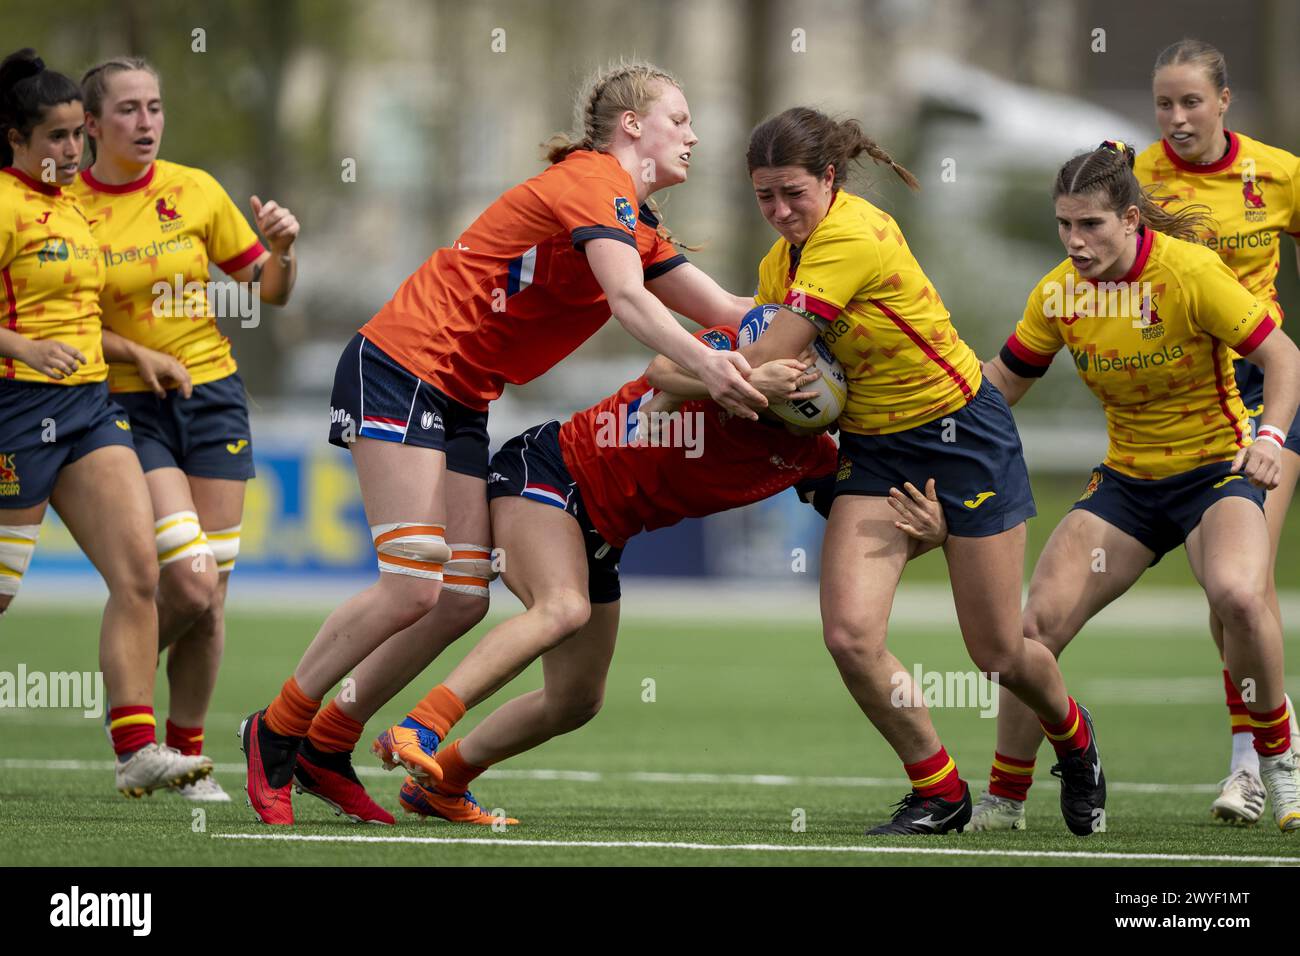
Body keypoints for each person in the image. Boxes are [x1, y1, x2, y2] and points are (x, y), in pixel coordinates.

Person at [240, 61, 768, 824]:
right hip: (402, 365)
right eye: (679, 119)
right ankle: (277, 728)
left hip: (459, 393)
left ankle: (328, 744)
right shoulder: (595, 183)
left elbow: (727, 307)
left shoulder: (636, 221)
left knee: (457, 601)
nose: (693, 134)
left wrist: (827, 310)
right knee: (414, 584)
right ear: (631, 128)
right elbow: (628, 300)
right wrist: (710, 365)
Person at [739, 107, 1103, 836]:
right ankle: (939, 791)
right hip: (876, 453)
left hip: (963, 438)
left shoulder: (850, 235)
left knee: (997, 651)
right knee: (848, 635)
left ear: (830, 179)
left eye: (793, 193)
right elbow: (781, 384)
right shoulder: (780, 264)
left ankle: (1074, 739)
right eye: (764, 198)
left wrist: (670, 370)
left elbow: (756, 365)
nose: (780, 212)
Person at [970, 140, 1300, 834]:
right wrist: (929, 428)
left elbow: (1283, 355)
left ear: (1129, 218)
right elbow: (1001, 385)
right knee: (1032, 629)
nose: (1075, 240)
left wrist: (1268, 439)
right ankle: (1004, 800)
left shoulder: (1189, 272)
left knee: (1240, 595)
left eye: (1090, 225)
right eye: (1064, 225)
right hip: (1127, 485)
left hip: (1215, 474)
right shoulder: (1059, 290)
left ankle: (1277, 759)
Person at [71, 56, 300, 802]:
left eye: (156, 107)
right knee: (190, 582)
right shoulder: (67, 207)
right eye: (130, 110)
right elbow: (57, 319)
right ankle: (128, 696)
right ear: (93, 124)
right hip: (125, 407)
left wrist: (284, 248)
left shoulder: (194, 189)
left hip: (213, 397)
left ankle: (185, 753)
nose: (146, 122)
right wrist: (134, 351)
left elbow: (268, 292)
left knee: (211, 599)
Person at [0, 48, 212, 796]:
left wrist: (135, 354)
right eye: (53, 138)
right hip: (16, 413)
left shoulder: (73, 206)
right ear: (15, 138)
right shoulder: (1, 202)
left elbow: (86, 314)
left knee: (137, 578)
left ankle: (136, 751)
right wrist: (22, 345)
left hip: (91, 408)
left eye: (74, 138)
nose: (69, 151)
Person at [1134, 38, 1300, 824]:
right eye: (1164, 103)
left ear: (1224, 100)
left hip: (1266, 390)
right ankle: (1258, 753)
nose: (1176, 118)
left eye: (1191, 101)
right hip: (1190, 401)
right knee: (1224, 589)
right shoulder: (1135, 173)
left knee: (1248, 581)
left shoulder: (1279, 173)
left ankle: (1258, 765)